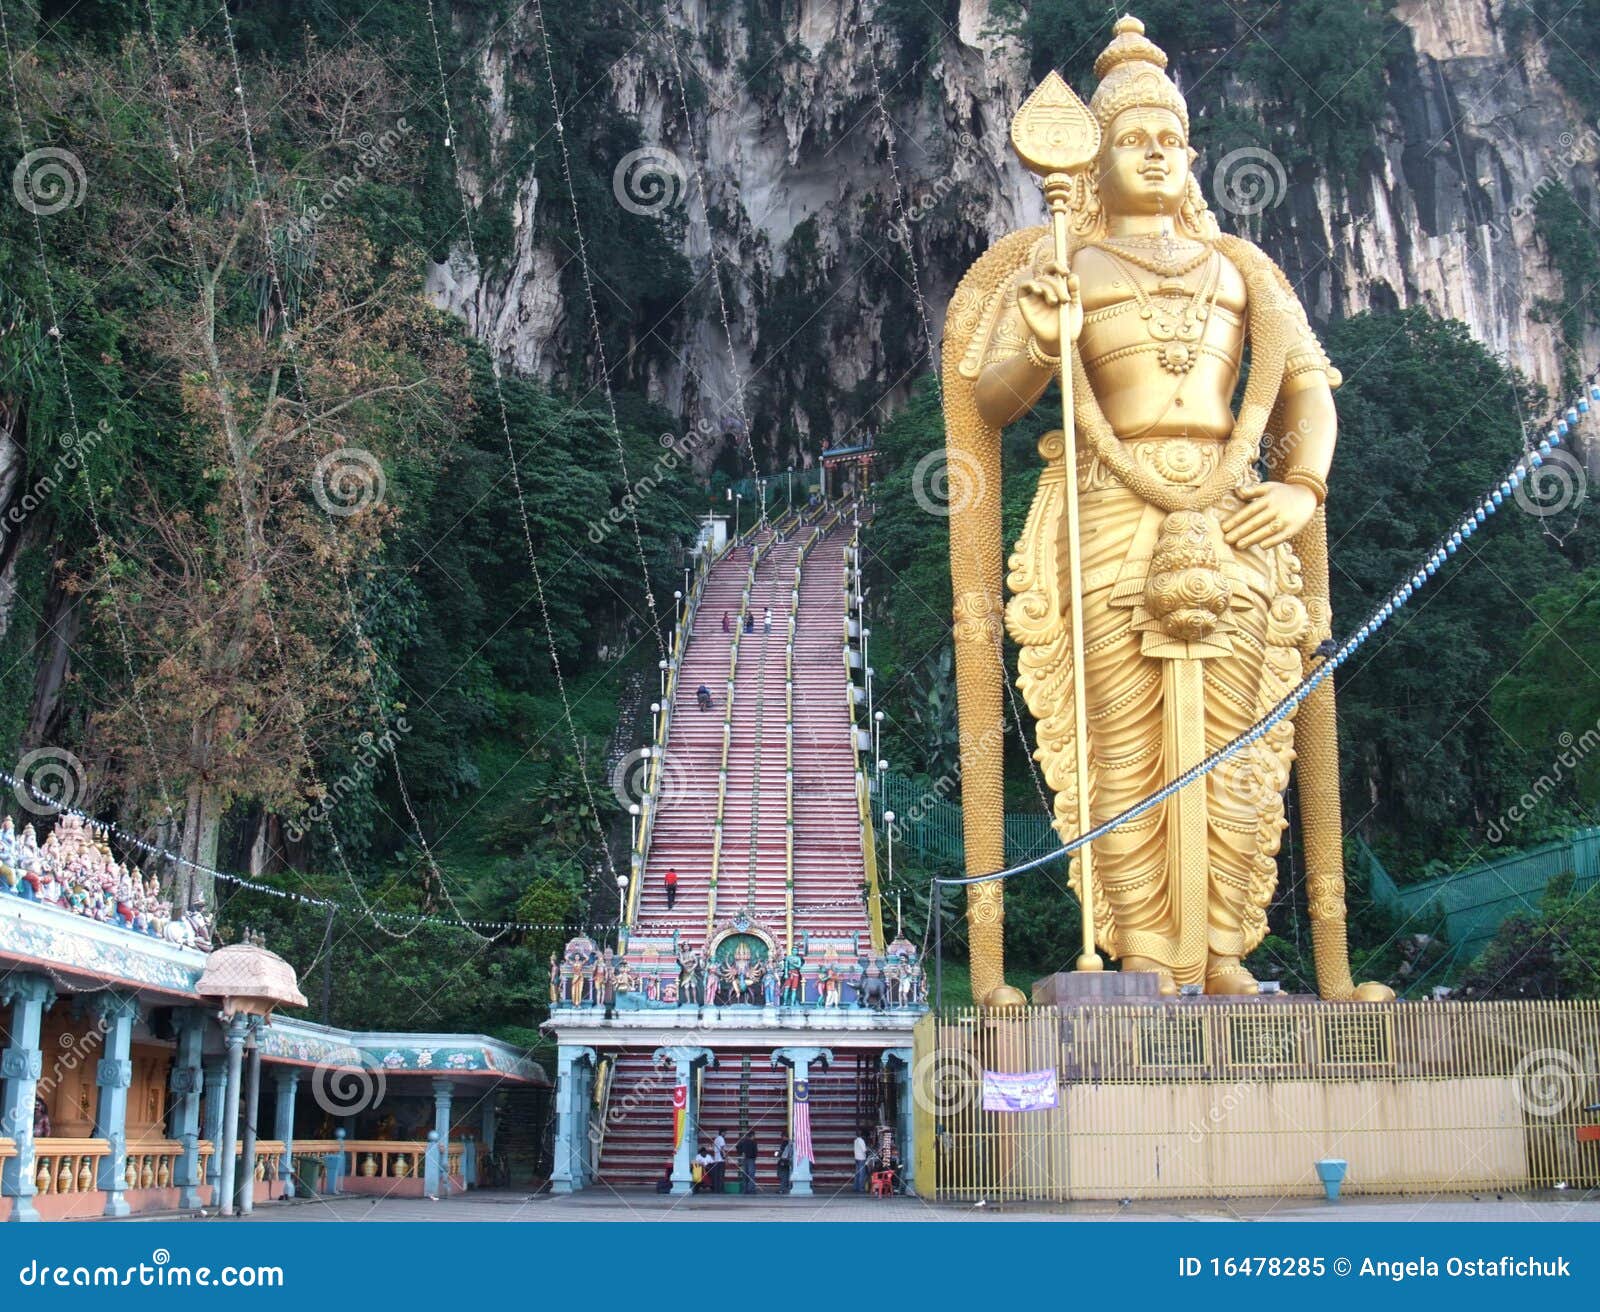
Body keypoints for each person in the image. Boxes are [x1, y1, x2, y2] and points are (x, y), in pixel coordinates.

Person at [737, 1127, 759, 1194]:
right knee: (751, 1175)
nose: (754, 1137)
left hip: (745, 1159)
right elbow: (755, 1152)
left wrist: (740, 1153)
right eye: (754, 1136)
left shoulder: (743, 1141)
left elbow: (737, 1146)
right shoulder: (754, 1142)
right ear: (752, 1135)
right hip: (751, 1159)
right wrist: (755, 1156)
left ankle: (745, 1189)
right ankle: (751, 1189)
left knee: (745, 1175)